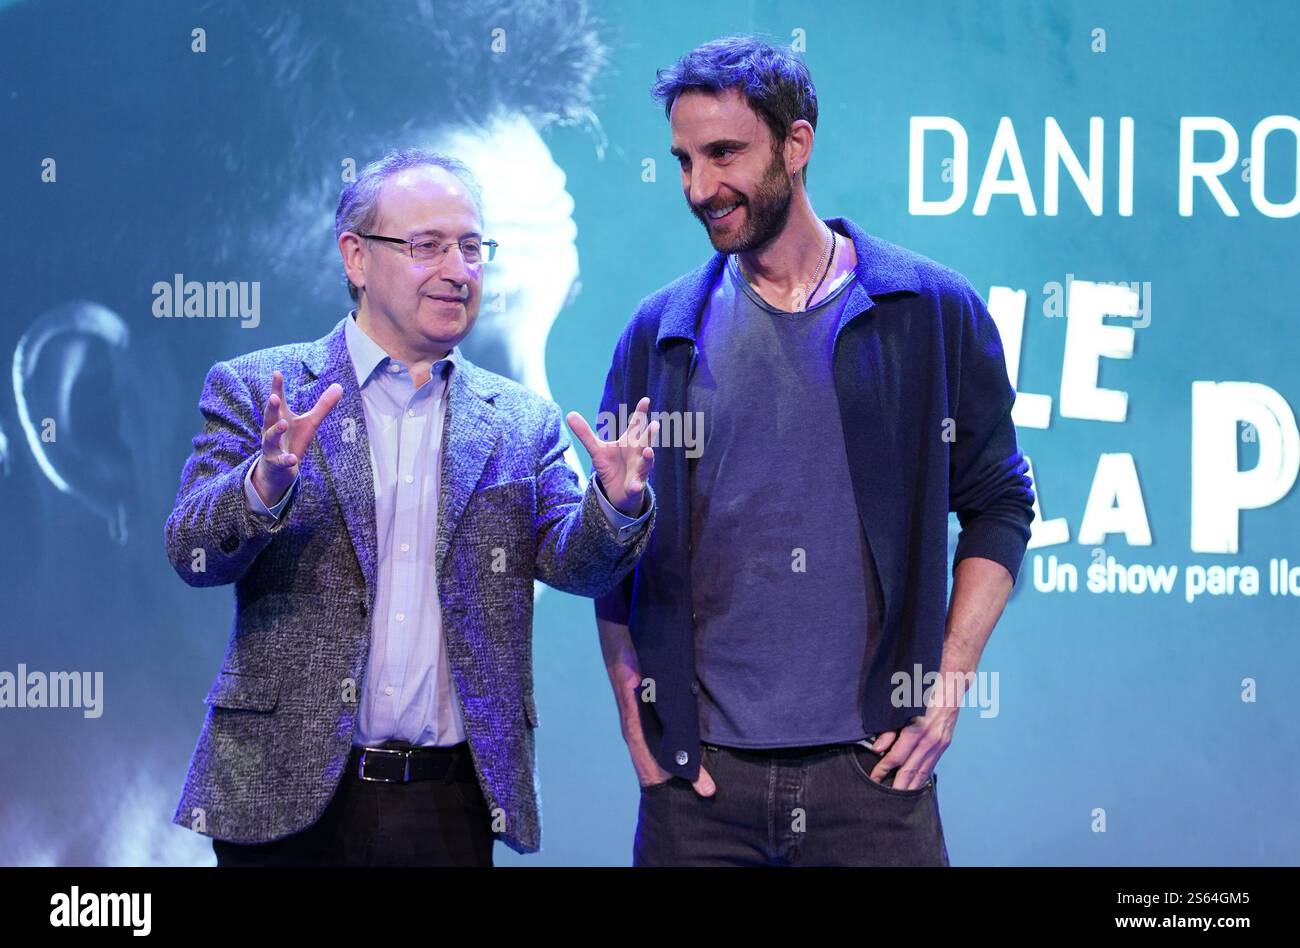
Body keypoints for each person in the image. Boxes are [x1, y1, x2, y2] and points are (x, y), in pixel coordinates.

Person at [593, 36, 1035, 866]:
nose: (699, 187)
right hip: (699, 793)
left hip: (872, 780)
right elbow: (615, 554)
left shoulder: (928, 310)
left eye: (724, 153)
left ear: (797, 145)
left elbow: (1000, 504)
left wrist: (945, 686)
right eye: (684, 159)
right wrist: (633, 714)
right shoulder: (659, 333)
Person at [166, 148, 658, 865]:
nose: (458, 269)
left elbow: (575, 567)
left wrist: (615, 505)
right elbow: (192, 553)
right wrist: (263, 486)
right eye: (427, 246)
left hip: (446, 800)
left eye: (471, 247)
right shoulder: (259, 389)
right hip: (281, 795)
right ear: (356, 258)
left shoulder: (522, 421)